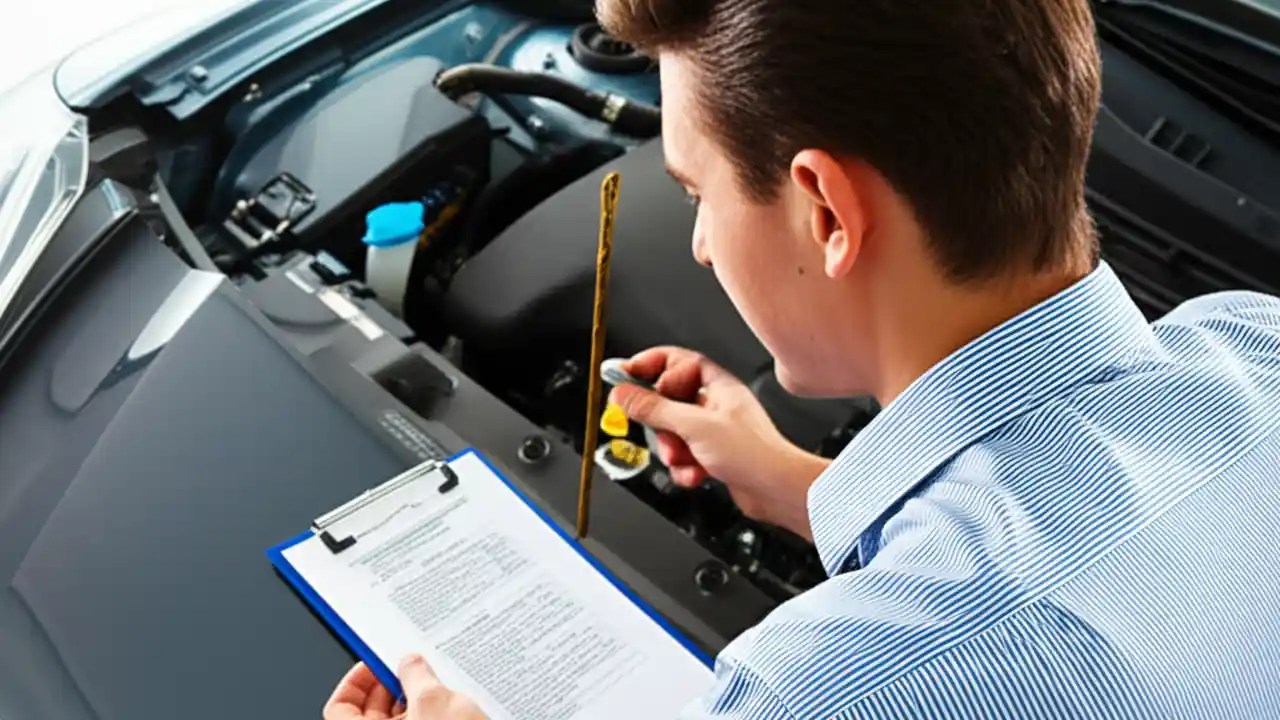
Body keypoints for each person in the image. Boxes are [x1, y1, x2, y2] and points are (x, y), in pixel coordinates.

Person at [325, 0, 1280, 717]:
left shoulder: (821, 690)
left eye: (696, 191)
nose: (699, 242)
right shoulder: (1253, 340)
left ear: (826, 213)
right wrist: (800, 484)